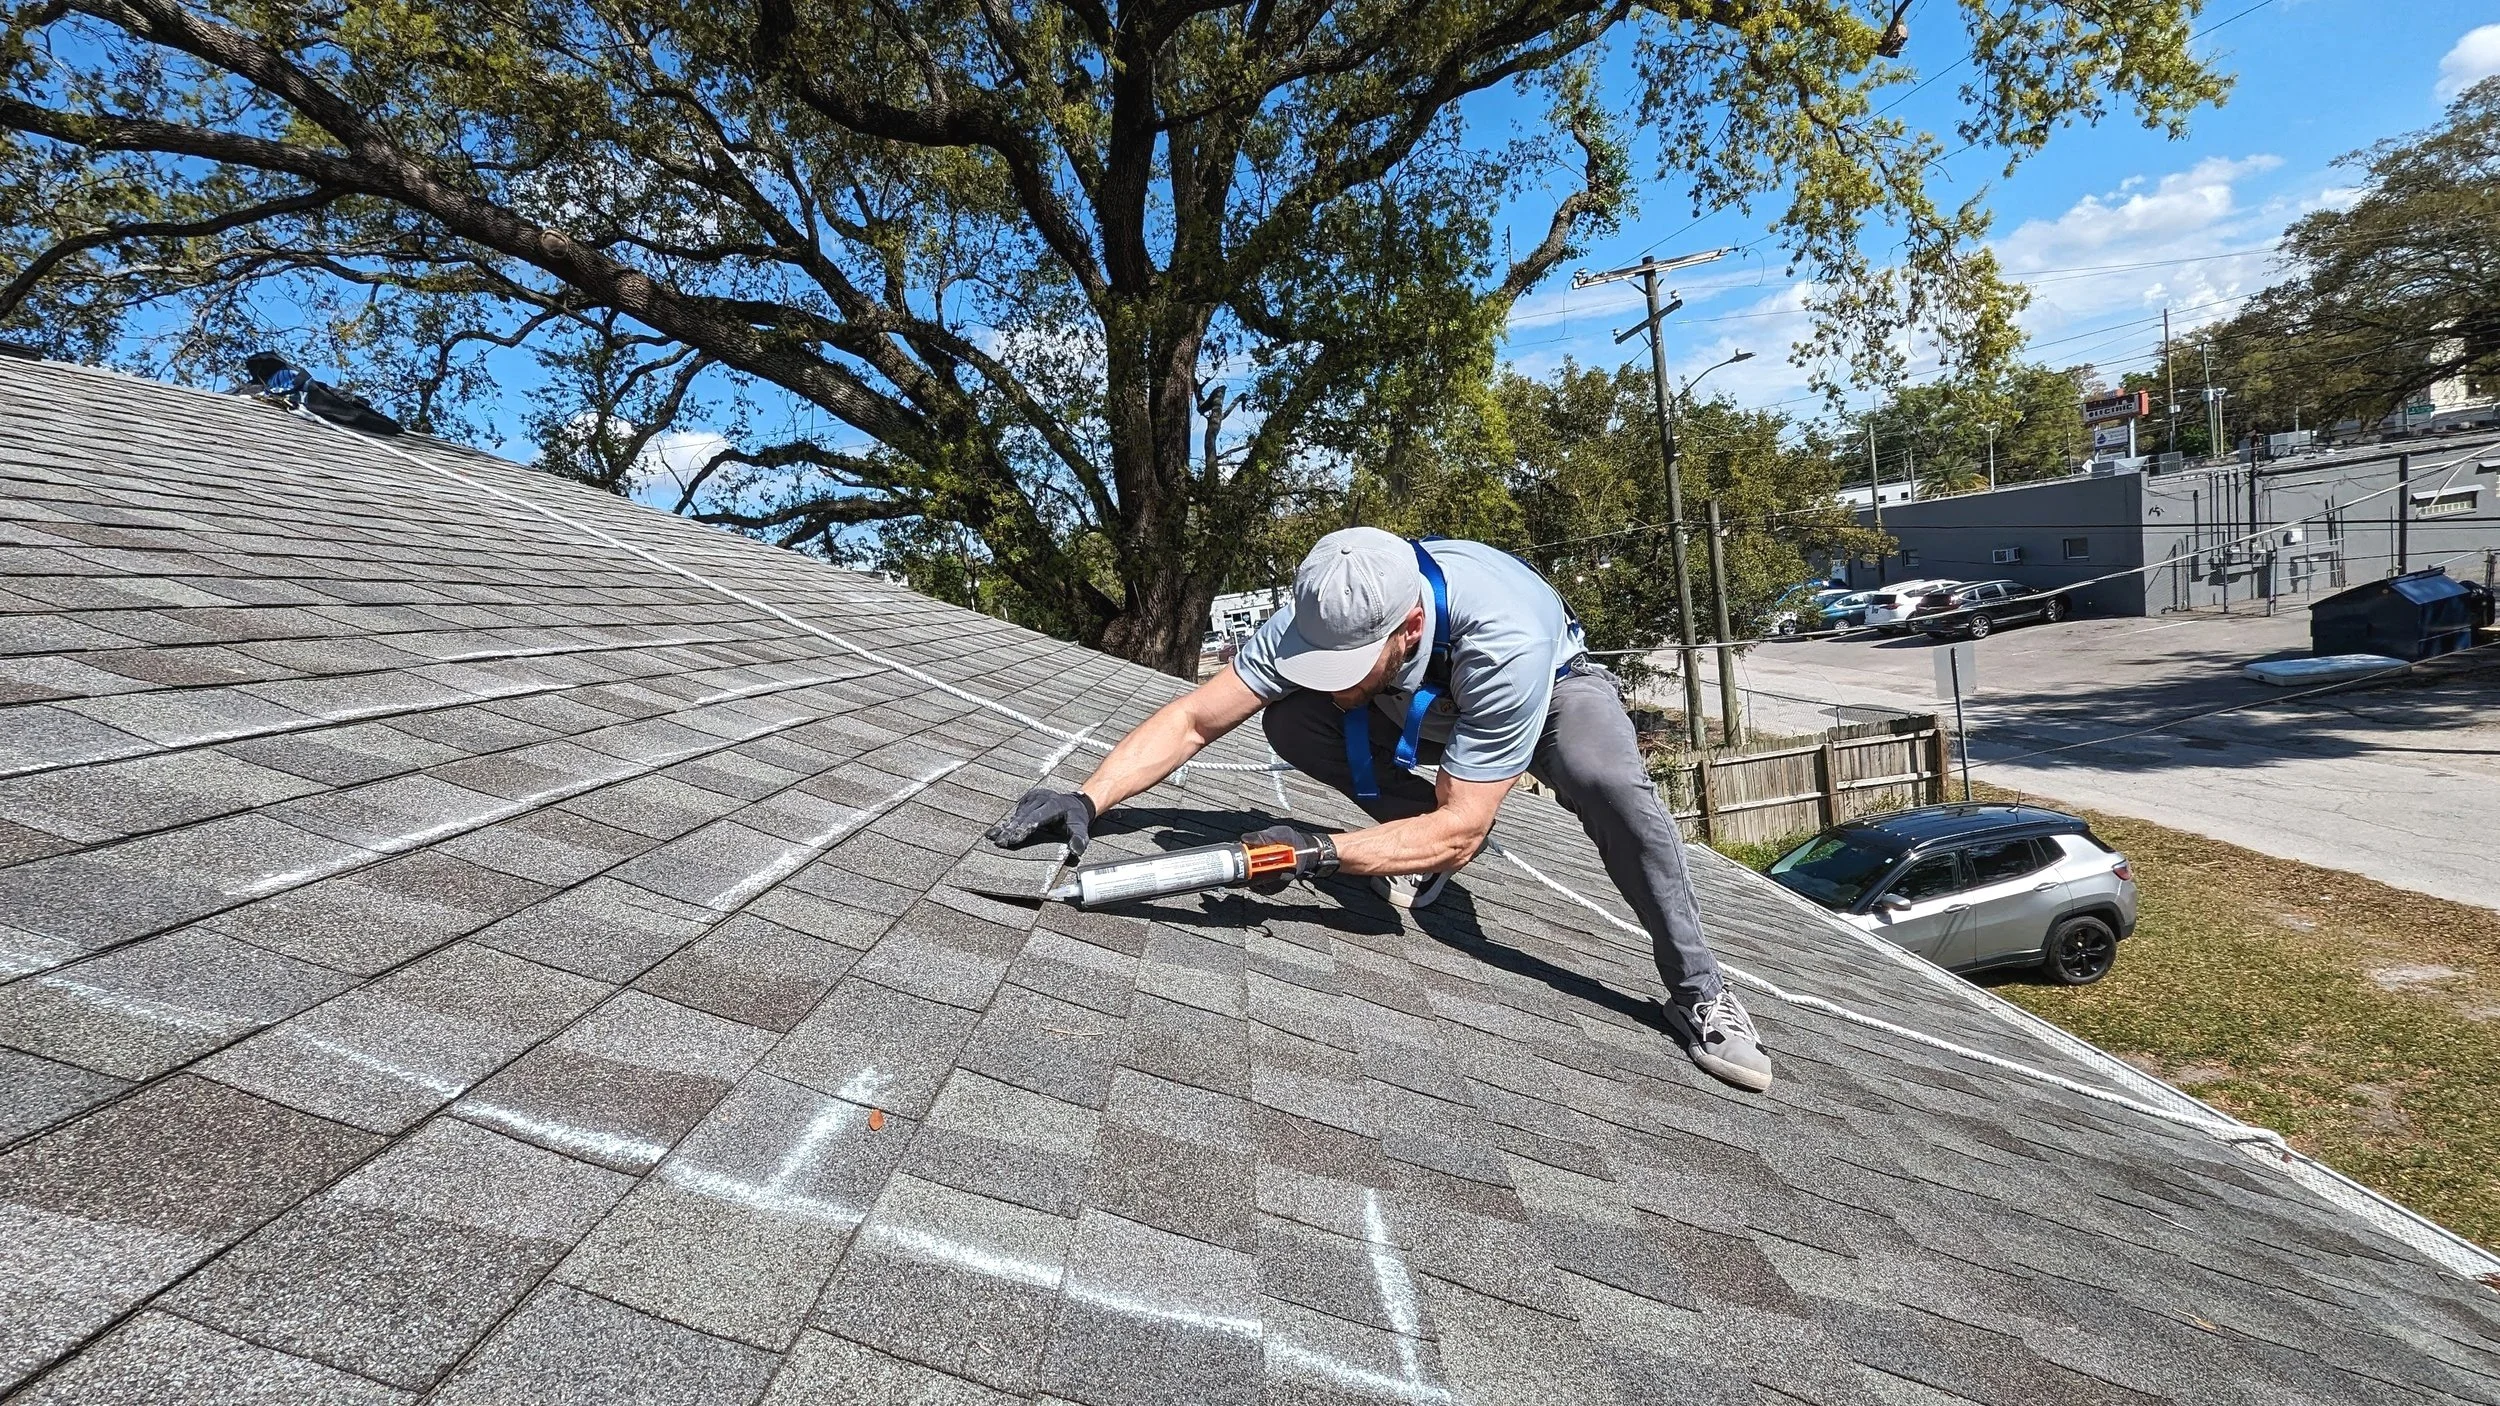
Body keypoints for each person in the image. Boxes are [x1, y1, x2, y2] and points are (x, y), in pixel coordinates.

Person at [986, 526, 1771, 1091]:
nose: (1329, 675)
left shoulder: (1504, 640)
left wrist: (1313, 852)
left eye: (1344, 665)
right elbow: (1196, 717)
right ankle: (1404, 838)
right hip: (1419, 701)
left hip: (1551, 690)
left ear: (1410, 627)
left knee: (1607, 781)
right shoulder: (1326, 608)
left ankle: (1700, 989)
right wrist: (1089, 794)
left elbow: (1465, 831)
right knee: (1291, 717)